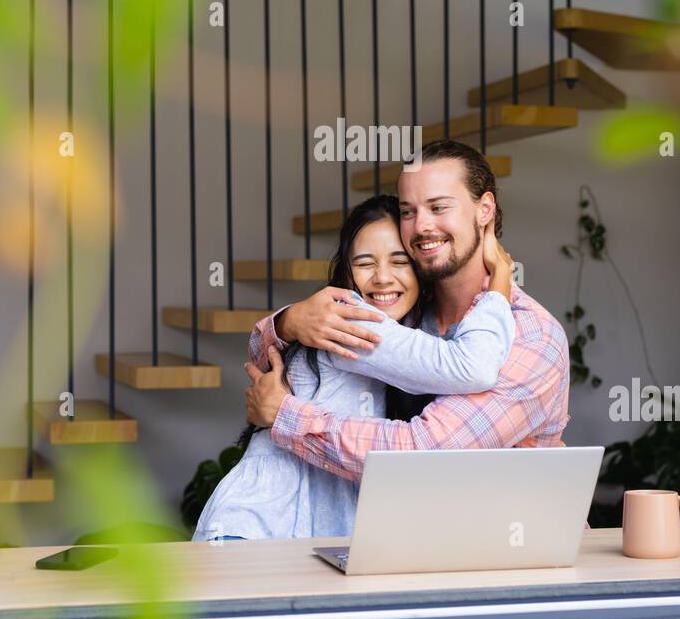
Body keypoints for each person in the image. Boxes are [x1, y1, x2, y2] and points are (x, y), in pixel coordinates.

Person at [192, 192, 516, 542]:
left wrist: (282, 322)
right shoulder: (353, 320)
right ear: (346, 274)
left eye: (399, 261)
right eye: (365, 264)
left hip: (307, 525)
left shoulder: (398, 331)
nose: (382, 278)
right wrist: (499, 280)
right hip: (260, 525)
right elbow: (473, 366)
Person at [244, 139, 570, 480]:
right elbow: (275, 362)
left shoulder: (532, 336)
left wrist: (288, 415)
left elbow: (427, 452)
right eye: (408, 211)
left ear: (484, 209)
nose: (421, 226)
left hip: (510, 531)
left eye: (439, 207)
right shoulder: (405, 310)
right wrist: (287, 323)